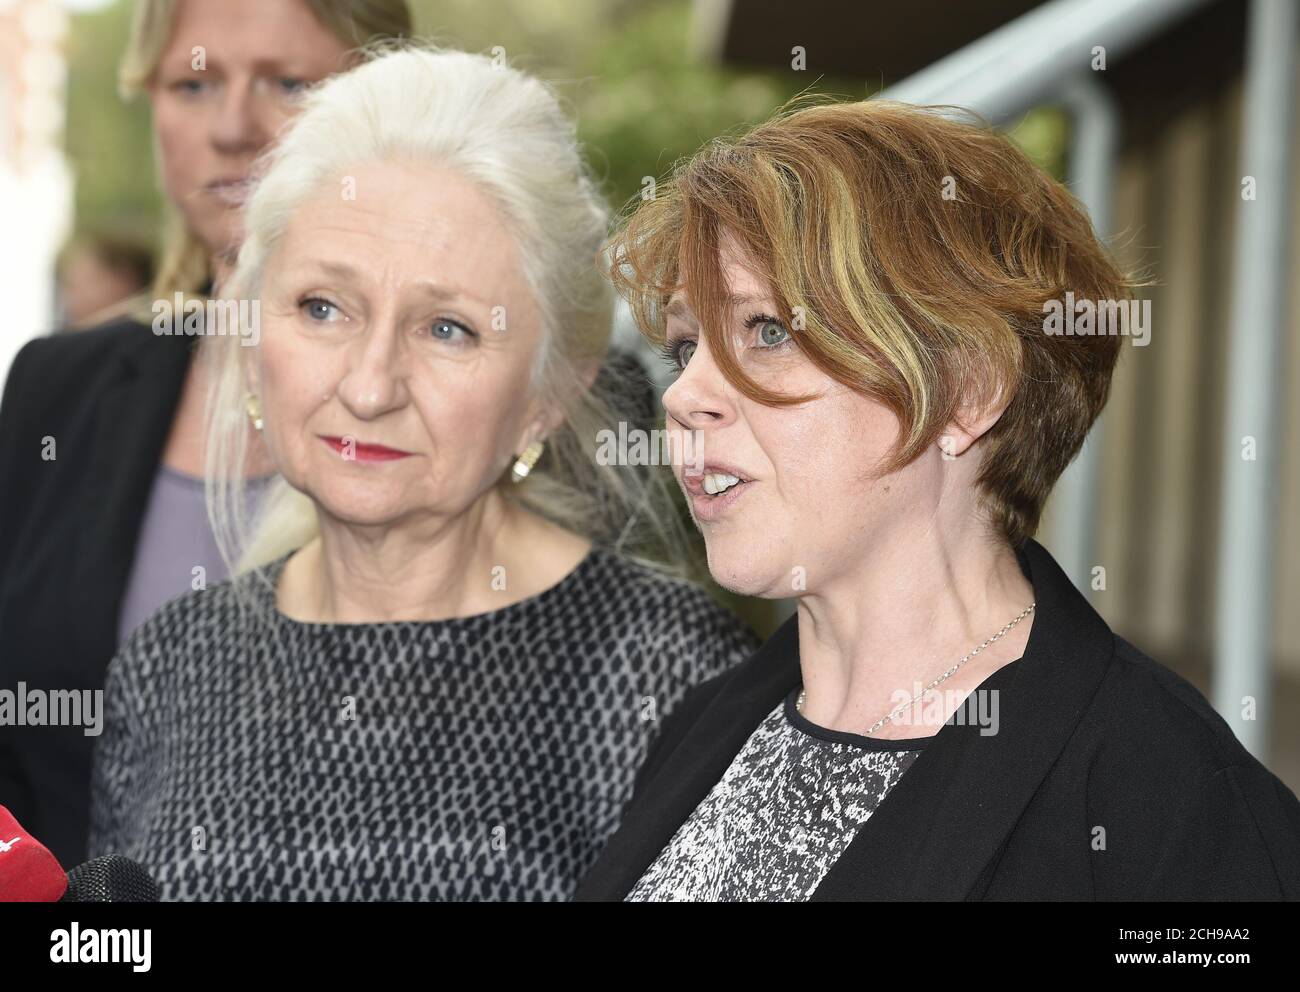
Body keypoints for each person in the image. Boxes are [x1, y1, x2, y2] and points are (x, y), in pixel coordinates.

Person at [574, 98, 1300, 901]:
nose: (685, 396)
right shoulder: (706, 722)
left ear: (968, 392)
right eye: (685, 347)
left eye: (768, 330)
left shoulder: (1171, 808)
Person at [86, 45, 758, 901]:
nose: (368, 388)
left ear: (551, 393)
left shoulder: (670, 682)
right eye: (323, 308)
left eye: (449, 329)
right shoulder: (167, 667)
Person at [0, 0, 413, 869]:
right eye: (193, 83)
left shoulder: (482, 402)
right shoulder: (56, 388)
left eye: (290, 82)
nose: (234, 128)